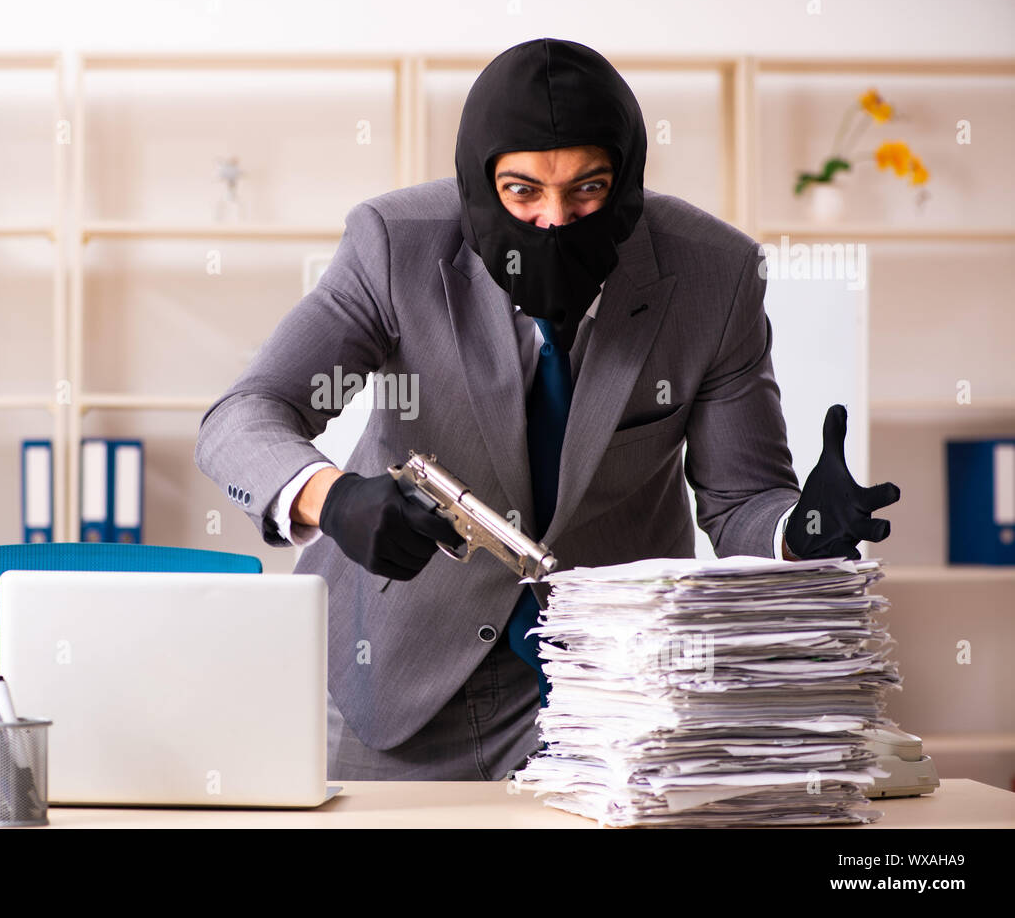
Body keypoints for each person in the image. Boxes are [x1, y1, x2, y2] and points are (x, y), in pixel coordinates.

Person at [194, 38, 899, 781]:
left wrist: (800, 531)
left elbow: (741, 500)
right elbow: (247, 412)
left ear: (627, 181)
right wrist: (331, 497)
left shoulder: (712, 275)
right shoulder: (395, 247)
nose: (555, 220)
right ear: (478, 184)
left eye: (588, 189)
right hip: (395, 674)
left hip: (612, 688)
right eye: (522, 191)